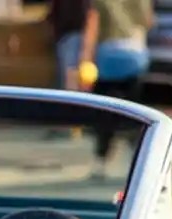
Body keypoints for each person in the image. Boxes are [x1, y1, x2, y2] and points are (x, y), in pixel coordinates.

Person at [76, 0, 152, 178]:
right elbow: (148, 21)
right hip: (135, 54)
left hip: (108, 56)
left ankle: (101, 161)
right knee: (136, 112)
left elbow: (92, 26)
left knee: (105, 113)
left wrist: (85, 59)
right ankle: (142, 160)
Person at [48, 0, 90, 92]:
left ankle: (72, 102)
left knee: (70, 78)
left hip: (72, 31)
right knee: (67, 76)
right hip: (65, 32)